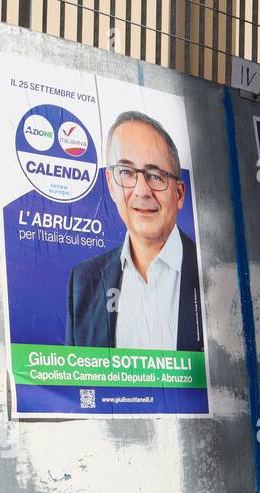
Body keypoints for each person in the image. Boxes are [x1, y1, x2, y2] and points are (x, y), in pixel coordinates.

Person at [66, 111, 204, 352]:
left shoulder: (213, 275)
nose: (141, 191)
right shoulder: (83, 281)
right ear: (110, 184)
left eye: (155, 176)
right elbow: (74, 384)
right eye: (127, 173)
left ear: (179, 193)